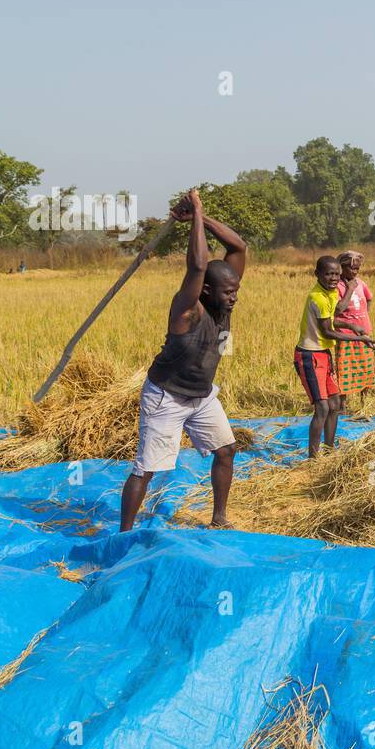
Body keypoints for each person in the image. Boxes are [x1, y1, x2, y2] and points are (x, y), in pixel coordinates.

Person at [120, 190, 246, 531]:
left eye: (236, 290)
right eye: (228, 292)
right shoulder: (187, 309)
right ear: (205, 290)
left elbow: (239, 248)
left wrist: (200, 219)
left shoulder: (224, 301)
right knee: (146, 468)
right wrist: (199, 209)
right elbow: (198, 265)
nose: (234, 297)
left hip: (201, 395)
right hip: (167, 397)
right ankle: (123, 536)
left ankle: (219, 518)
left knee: (226, 450)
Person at [296, 255, 375, 457]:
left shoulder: (331, 293)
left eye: (336, 274)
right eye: (328, 274)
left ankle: (330, 450)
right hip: (309, 356)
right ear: (317, 275)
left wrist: (351, 326)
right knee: (322, 407)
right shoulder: (319, 298)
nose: (333, 278)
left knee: (334, 405)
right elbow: (327, 332)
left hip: (323, 354)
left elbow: (332, 321)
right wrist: (357, 338)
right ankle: (314, 459)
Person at [333, 250, 375, 410]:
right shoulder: (338, 286)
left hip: (364, 334)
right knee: (345, 369)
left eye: (358, 269)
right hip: (346, 336)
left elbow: (369, 298)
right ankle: (343, 405)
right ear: (342, 268)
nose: (355, 272)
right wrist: (350, 289)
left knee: (366, 367)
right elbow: (338, 310)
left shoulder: (361, 283)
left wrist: (363, 316)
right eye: (352, 269)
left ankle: (365, 403)